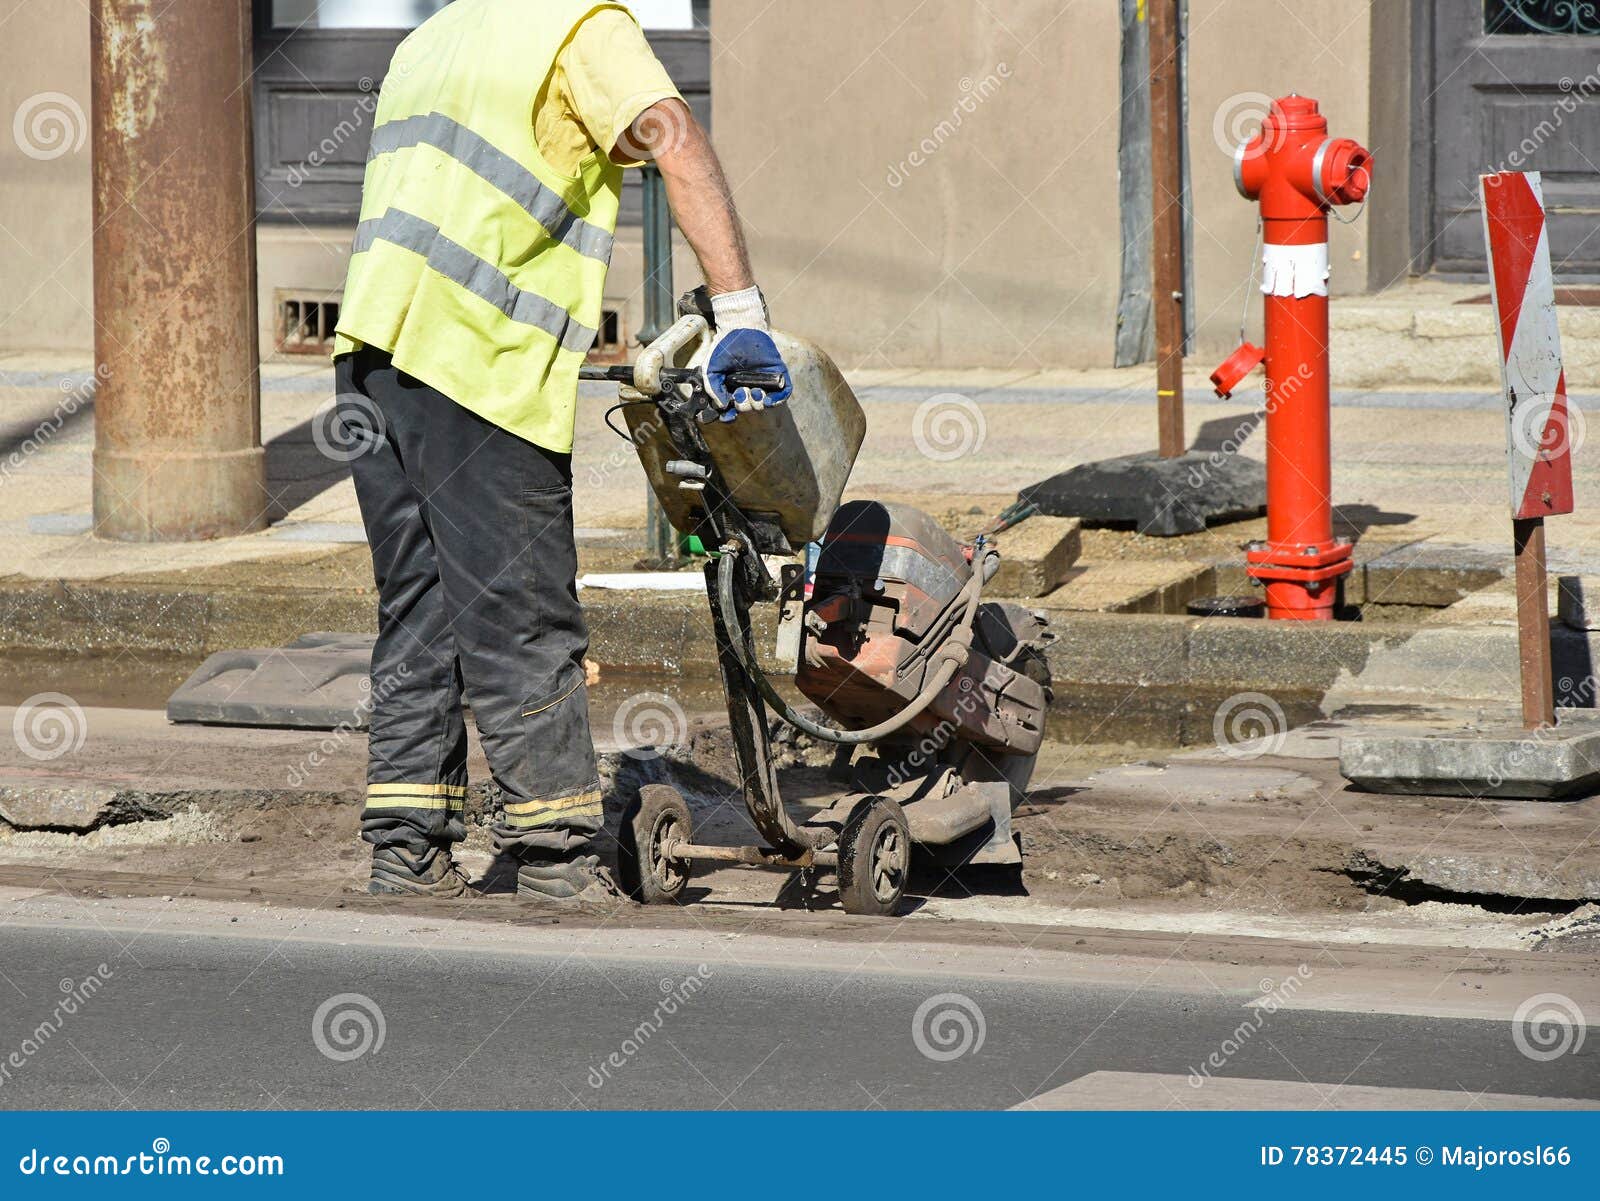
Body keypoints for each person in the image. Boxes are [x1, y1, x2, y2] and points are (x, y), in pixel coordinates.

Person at [331, 0, 790, 903]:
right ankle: (555, 862)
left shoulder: (434, 33)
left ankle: (406, 851)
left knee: (421, 609)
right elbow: (673, 137)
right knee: (522, 612)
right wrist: (741, 311)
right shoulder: (578, 26)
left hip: (373, 355)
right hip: (475, 359)